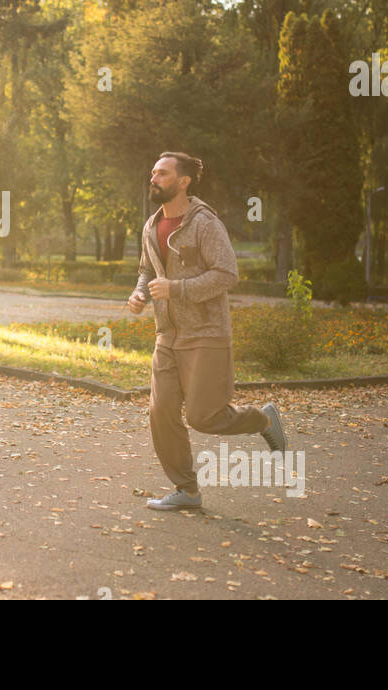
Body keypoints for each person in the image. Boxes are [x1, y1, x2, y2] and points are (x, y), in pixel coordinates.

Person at [127, 151, 285, 510]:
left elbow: (227, 273)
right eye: (153, 172)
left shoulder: (204, 222)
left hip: (206, 335)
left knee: (203, 417)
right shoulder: (151, 225)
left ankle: (262, 418)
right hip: (167, 335)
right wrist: (140, 293)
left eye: (163, 174)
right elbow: (146, 270)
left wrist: (178, 289)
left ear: (183, 182)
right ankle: (187, 490)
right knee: (160, 413)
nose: (154, 178)